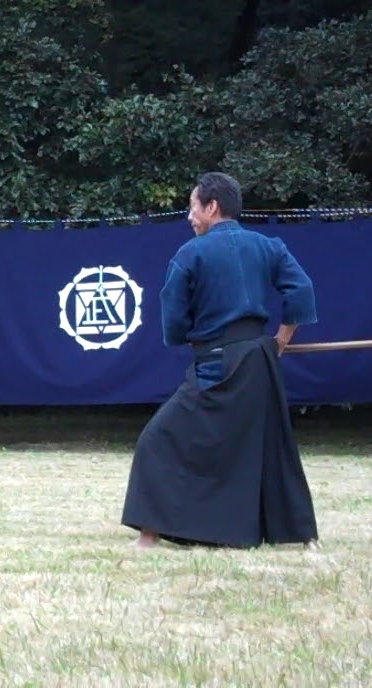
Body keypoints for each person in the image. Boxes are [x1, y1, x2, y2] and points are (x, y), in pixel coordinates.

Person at [119, 172, 320, 549]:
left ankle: (148, 537)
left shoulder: (191, 254)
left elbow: (174, 316)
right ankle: (303, 537)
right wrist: (281, 340)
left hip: (216, 363)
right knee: (270, 447)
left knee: (159, 440)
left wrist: (181, 338)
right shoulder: (268, 246)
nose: (189, 216)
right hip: (260, 361)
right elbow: (302, 289)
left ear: (212, 207)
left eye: (193, 207)